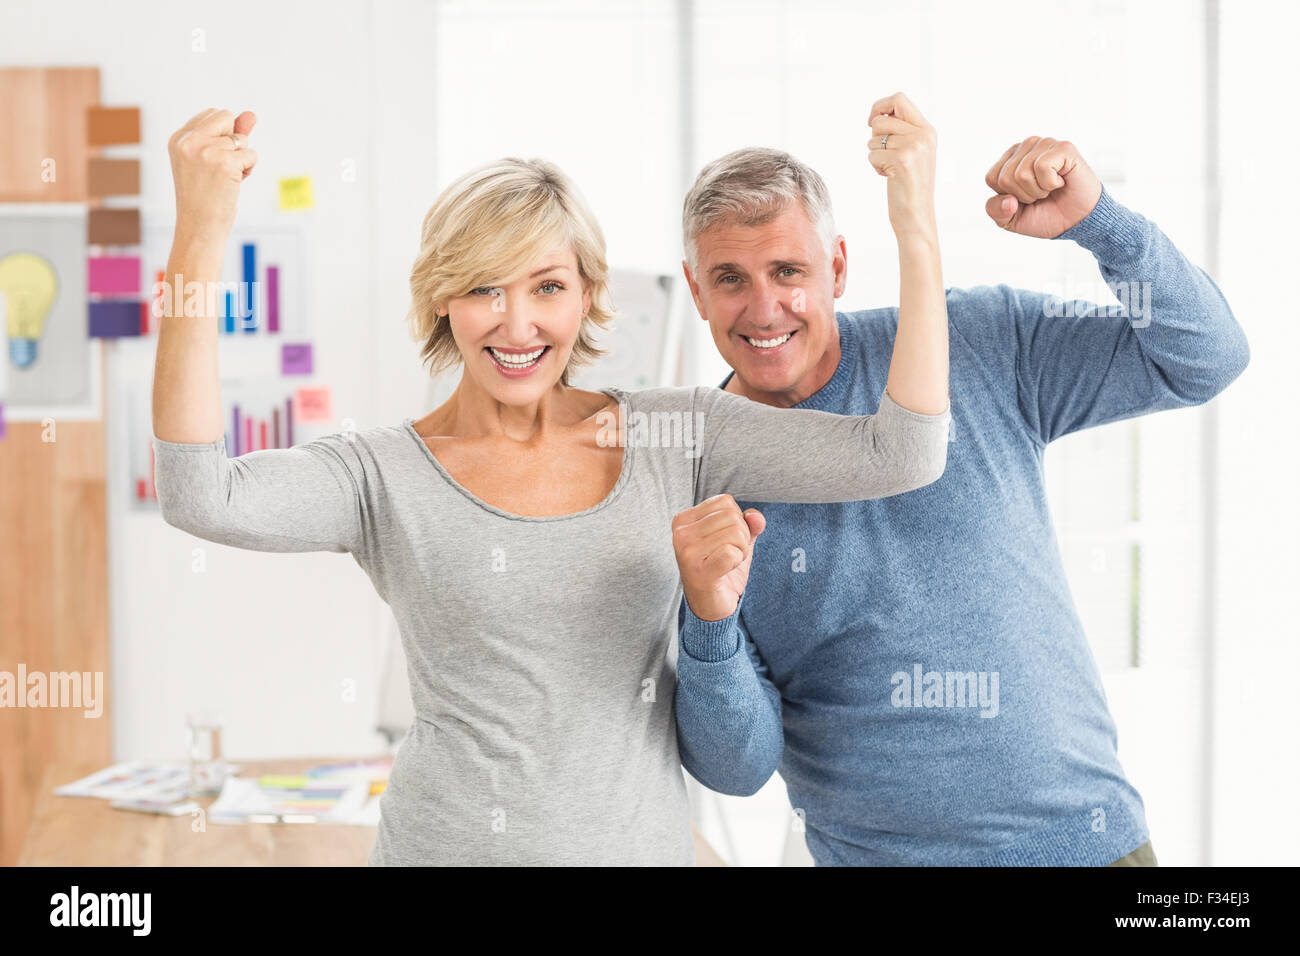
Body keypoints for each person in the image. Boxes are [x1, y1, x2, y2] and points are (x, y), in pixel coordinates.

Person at [149, 106, 952, 865]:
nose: (517, 324)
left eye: (547, 287)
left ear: (587, 296)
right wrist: (202, 231)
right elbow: (199, 493)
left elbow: (902, 453)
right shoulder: (377, 474)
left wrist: (914, 223)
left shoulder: (679, 433)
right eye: (482, 289)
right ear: (441, 299)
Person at [671, 92, 1250, 866]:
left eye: (787, 269)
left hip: (1088, 847)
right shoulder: (693, 480)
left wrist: (1099, 223)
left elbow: (1206, 357)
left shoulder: (979, 340)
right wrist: (709, 624)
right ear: (696, 289)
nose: (765, 305)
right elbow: (736, 767)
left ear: (837, 267)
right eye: (730, 278)